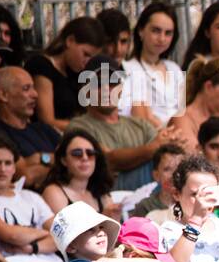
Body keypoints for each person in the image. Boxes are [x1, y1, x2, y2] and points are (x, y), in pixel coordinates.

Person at [66, 55, 167, 192]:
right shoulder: (78, 127)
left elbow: (163, 150)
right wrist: (152, 149)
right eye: (98, 83)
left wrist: (172, 141)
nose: (106, 89)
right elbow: (108, 159)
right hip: (107, 191)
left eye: (113, 82)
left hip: (146, 193)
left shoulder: (140, 125)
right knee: (159, 164)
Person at [0, 136, 60, 262]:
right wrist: (46, 234)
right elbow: (11, 235)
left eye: (8, 163)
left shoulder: (31, 197)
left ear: (14, 168)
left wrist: (32, 247)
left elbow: (60, 235)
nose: (3, 169)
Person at [0, 67, 60, 185]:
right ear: (3, 95)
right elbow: (25, 176)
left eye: (33, 88)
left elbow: (72, 159)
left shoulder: (43, 129)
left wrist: (39, 158)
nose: (35, 94)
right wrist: (57, 163)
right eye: (26, 88)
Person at [26, 16, 105, 131]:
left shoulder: (77, 72)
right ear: (70, 41)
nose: (87, 62)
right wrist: (87, 127)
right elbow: (47, 121)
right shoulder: (42, 66)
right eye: (85, 54)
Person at [120, 2, 185, 128]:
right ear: (141, 31)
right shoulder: (128, 68)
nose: (162, 39)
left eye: (168, 33)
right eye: (156, 31)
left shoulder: (174, 68)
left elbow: (183, 109)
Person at [40, 129, 120, 220]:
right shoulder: (54, 192)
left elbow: (115, 228)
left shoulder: (101, 191)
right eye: (77, 153)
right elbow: (63, 229)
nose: (85, 158)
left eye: (90, 153)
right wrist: (103, 219)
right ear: (64, 160)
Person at [132, 143, 186, 221]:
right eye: (167, 169)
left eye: (179, 168)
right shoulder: (146, 207)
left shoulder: (190, 203)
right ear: (156, 175)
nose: (174, 174)